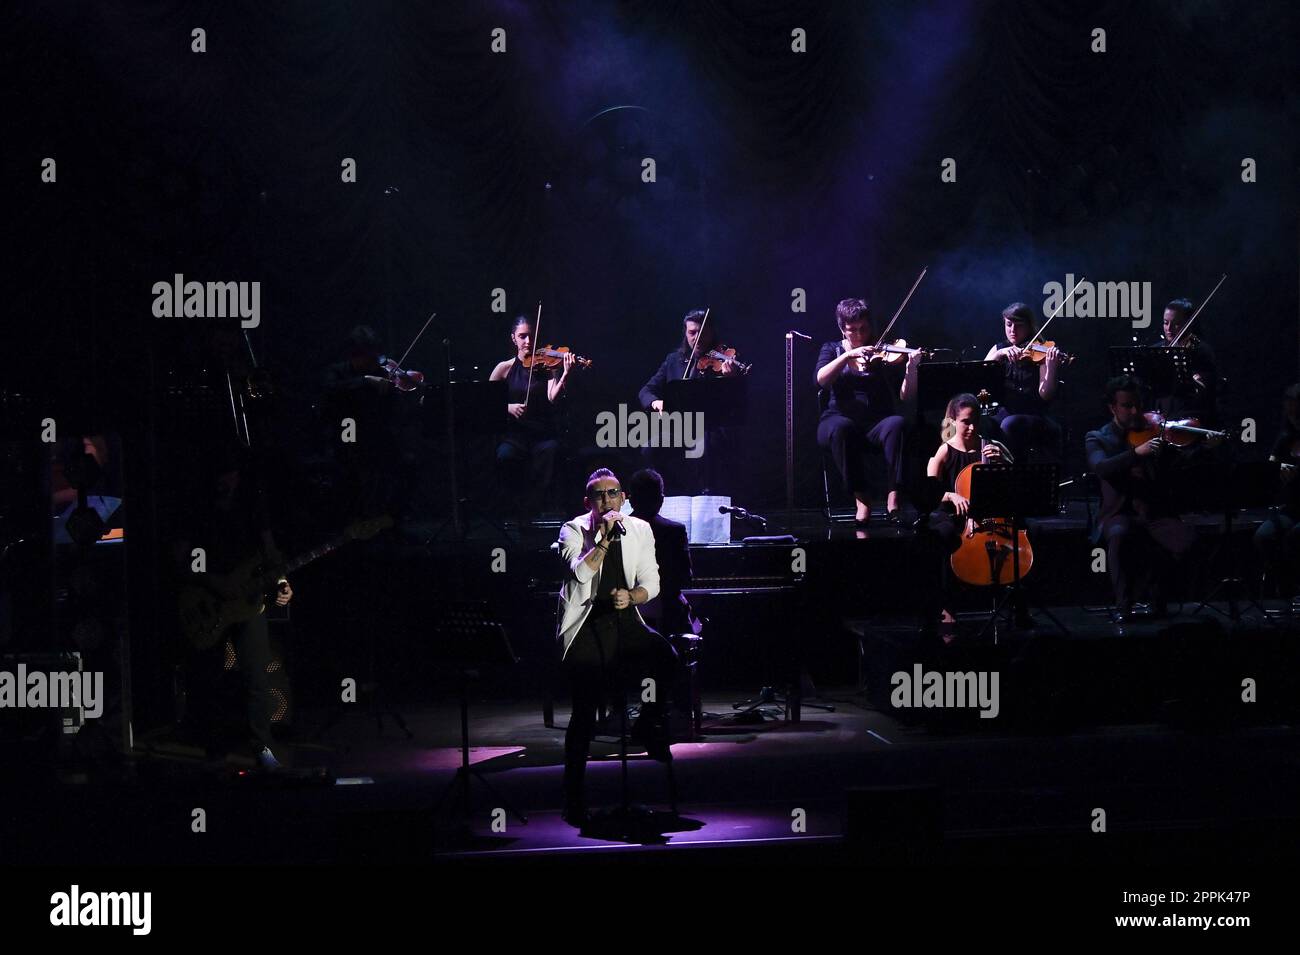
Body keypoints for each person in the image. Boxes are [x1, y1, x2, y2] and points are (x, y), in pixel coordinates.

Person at [555, 468, 676, 826]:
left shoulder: (640, 529)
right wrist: (604, 539)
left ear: (623, 498)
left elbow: (652, 582)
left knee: (665, 658)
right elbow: (579, 573)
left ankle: (648, 723)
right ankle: (574, 799)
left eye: (612, 494)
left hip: (624, 620)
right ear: (588, 502)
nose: (606, 501)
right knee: (584, 712)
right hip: (586, 625)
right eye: (599, 495)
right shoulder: (573, 530)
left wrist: (633, 596)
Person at [174, 446, 293, 769]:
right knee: (208, 679)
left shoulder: (252, 506)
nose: (229, 480)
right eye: (223, 474)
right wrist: (214, 583)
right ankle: (214, 747)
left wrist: (282, 582)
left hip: (249, 604)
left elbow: (270, 553)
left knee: (257, 675)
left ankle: (261, 743)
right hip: (208, 603)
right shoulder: (196, 507)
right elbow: (179, 561)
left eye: (233, 474)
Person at [1084, 375, 1194, 625]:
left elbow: (1178, 465)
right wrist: (1136, 454)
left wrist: (1202, 447)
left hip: (1154, 511)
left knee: (1188, 543)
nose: (1135, 411)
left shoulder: (1154, 431)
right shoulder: (1097, 437)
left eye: (1137, 404)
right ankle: (1124, 605)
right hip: (1119, 512)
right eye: (1127, 406)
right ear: (1113, 407)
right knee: (1121, 535)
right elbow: (1101, 467)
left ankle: (1156, 596)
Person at [815, 297, 919, 524]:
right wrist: (846, 356)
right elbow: (821, 380)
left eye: (864, 328)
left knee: (897, 424)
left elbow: (906, 396)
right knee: (842, 428)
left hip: (876, 423)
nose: (860, 336)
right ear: (842, 329)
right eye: (853, 330)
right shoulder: (832, 349)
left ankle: (894, 500)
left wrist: (911, 370)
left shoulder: (883, 351)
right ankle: (862, 499)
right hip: (837, 419)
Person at [638, 309, 747, 495]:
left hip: (712, 427)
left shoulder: (722, 360)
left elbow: (737, 403)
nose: (697, 338)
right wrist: (656, 403)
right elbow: (646, 391)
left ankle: (705, 496)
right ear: (685, 333)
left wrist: (731, 379)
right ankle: (669, 494)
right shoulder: (674, 360)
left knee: (705, 446)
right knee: (650, 448)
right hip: (680, 428)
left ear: (711, 333)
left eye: (702, 333)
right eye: (692, 332)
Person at [923, 393, 1005, 630]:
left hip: (987, 514)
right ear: (953, 421)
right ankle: (946, 605)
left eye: (975, 421)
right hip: (951, 513)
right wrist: (951, 494)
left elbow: (1008, 485)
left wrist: (1001, 464)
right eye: (966, 421)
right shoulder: (945, 451)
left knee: (1024, 528)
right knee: (945, 535)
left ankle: (1016, 605)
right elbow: (929, 491)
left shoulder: (990, 448)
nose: (972, 427)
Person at [489, 315, 576, 516]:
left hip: (541, 435)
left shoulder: (546, 367)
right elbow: (487, 402)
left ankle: (542, 509)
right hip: (514, 437)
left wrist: (563, 374)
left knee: (552, 451)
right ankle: (515, 509)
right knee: (505, 456)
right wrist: (508, 408)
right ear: (513, 339)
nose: (528, 341)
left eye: (531, 336)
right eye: (522, 336)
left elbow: (552, 397)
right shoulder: (504, 368)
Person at [983, 302, 1064, 462]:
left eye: (1018, 325)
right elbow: (979, 375)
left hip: (1033, 414)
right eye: (1008, 324)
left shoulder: (1041, 350)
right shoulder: (1000, 348)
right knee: (982, 423)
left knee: (1009, 424)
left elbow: (1045, 395)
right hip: (1004, 411)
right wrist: (999, 355)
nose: (1012, 330)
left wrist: (1052, 367)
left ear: (1029, 326)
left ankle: (1012, 469)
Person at [625, 468, 694, 638]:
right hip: (667, 617)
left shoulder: (617, 530)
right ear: (661, 500)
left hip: (627, 617)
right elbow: (685, 577)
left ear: (630, 500)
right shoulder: (675, 531)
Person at [1254, 383, 1300, 600]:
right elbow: (1268, 470)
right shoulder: (1285, 439)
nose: (1294, 418)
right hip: (1292, 508)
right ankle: (1284, 592)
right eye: (1291, 413)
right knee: (1265, 536)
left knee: (1294, 537)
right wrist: (1276, 471)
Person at [1149, 297, 1219, 426]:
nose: (1169, 328)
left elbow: (1204, 392)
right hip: (1159, 419)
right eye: (1165, 322)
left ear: (1189, 323)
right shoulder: (1156, 350)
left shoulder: (1201, 351)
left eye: (1176, 324)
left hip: (1187, 420)